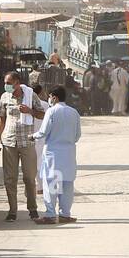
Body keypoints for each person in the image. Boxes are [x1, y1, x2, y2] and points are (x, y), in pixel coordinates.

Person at [0, 70, 44, 221]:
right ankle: (12, 210)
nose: (6, 86)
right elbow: (1, 119)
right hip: (9, 141)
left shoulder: (31, 96)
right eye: (5, 83)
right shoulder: (5, 97)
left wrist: (29, 111)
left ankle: (32, 208)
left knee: (29, 178)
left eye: (9, 83)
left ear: (17, 83)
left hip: (26, 141)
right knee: (10, 178)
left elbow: (42, 114)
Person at [33, 86, 81, 224]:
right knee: (67, 185)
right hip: (69, 154)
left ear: (54, 97)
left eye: (50, 97)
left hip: (53, 153)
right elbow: (77, 135)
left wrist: (32, 136)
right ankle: (65, 214)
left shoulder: (51, 111)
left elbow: (43, 132)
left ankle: (50, 214)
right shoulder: (74, 112)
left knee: (51, 185)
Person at [31, 83, 49, 194]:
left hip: (31, 135)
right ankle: (41, 186)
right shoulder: (45, 105)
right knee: (41, 162)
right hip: (42, 136)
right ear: (41, 92)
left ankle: (34, 186)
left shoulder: (27, 104)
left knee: (32, 163)